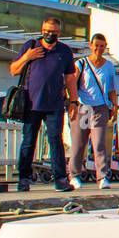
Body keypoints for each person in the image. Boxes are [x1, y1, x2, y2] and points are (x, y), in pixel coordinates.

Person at [10, 15, 78, 192]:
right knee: (29, 141)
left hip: (54, 104)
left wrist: (74, 101)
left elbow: (70, 78)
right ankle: (24, 178)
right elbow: (13, 70)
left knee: (56, 140)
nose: (50, 35)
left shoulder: (64, 51)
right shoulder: (31, 46)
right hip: (31, 103)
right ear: (42, 30)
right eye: (47, 31)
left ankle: (61, 179)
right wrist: (27, 57)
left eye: (54, 32)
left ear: (59, 33)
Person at [69, 33, 119, 190]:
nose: (99, 49)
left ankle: (102, 176)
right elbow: (71, 84)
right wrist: (73, 104)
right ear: (91, 46)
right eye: (96, 45)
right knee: (79, 144)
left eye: (102, 46)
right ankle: (74, 175)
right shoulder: (81, 63)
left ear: (105, 47)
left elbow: (111, 88)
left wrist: (115, 106)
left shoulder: (109, 66)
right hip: (83, 107)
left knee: (99, 144)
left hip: (101, 107)